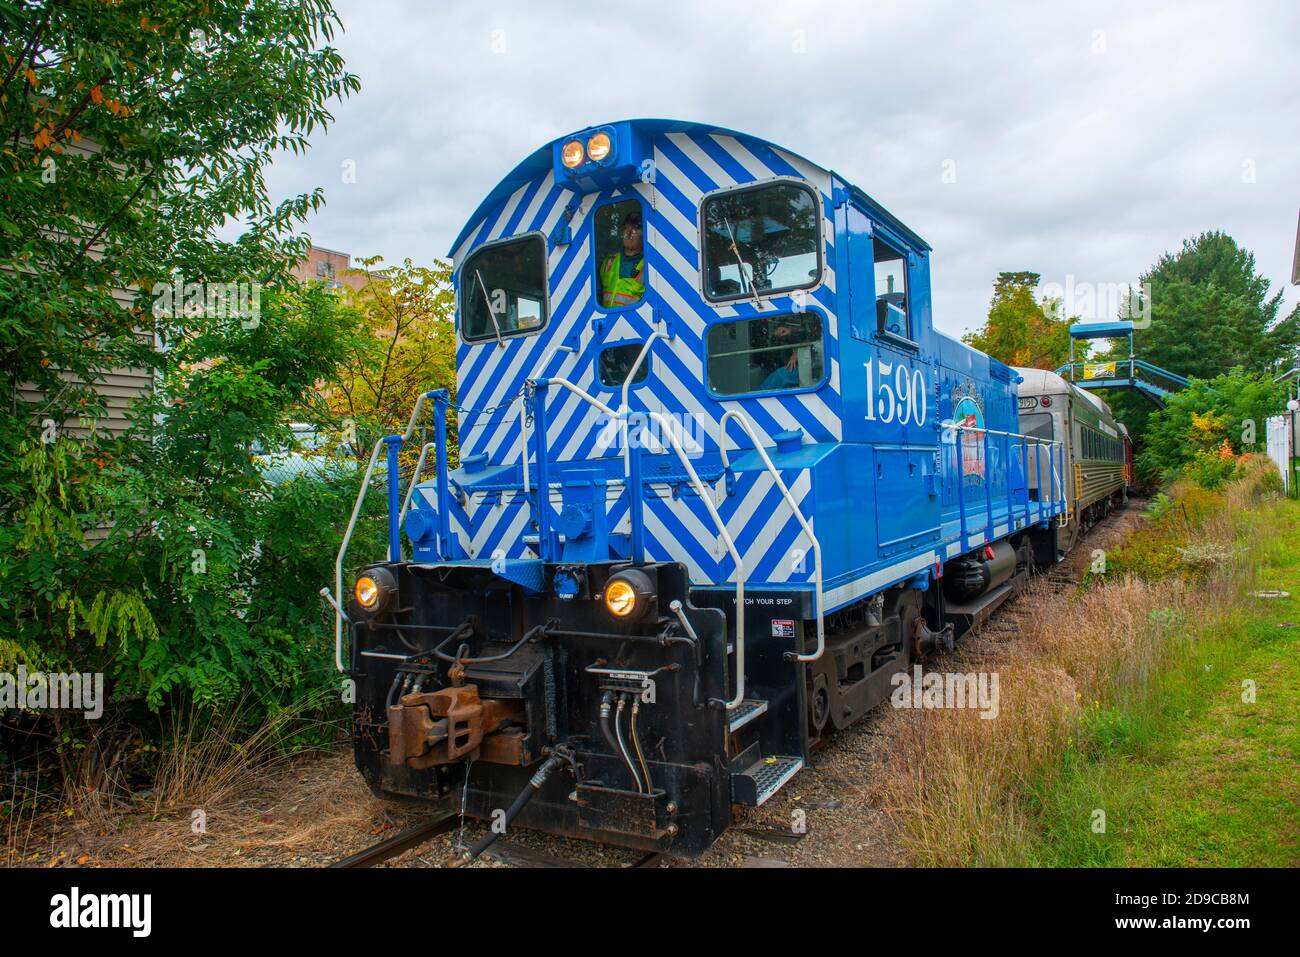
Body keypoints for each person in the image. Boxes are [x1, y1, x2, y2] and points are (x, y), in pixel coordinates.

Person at [599, 210, 645, 308]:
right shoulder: (609, 261)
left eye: (635, 229)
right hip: (605, 320)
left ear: (644, 234)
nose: (628, 233)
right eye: (626, 228)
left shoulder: (647, 266)